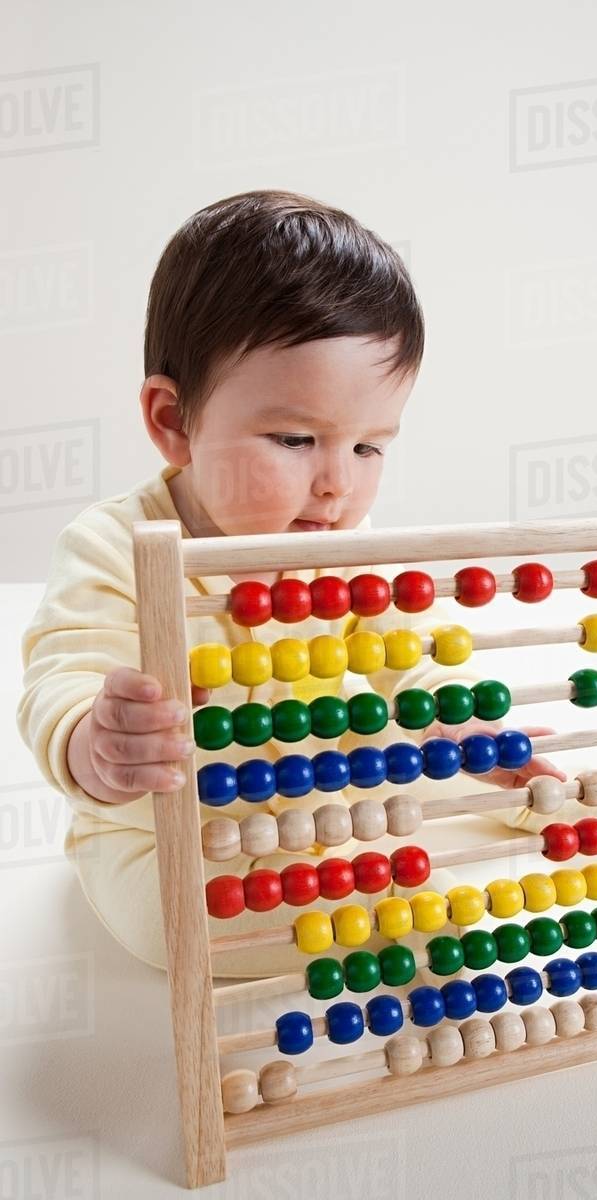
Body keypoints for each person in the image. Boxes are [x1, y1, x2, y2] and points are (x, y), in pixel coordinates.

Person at [16, 189, 568, 987]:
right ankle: (381, 913)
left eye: (371, 448)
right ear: (174, 420)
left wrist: (470, 731)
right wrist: (92, 740)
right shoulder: (114, 548)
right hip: (173, 836)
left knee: (528, 804)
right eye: (296, 439)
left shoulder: (344, 551)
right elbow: (61, 674)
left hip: (324, 807)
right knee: (174, 919)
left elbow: (407, 669)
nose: (337, 485)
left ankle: (396, 895)